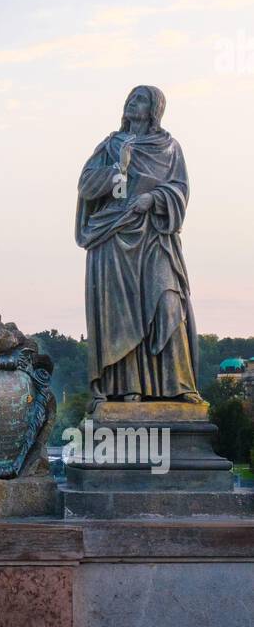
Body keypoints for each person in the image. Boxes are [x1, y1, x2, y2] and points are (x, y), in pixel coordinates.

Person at [75, 85, 202, 407]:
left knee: (168, 301)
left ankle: (177, 383)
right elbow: (87, 187)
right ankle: (126, 386)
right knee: (122, 314)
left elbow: (180, 190)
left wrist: (154, 197)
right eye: (130, 97)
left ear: (155, 109)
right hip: (114, 236)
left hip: (155, 234)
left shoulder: (169, 148)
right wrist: (118, 168)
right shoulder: (111, 145)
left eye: (141, 98)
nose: (133, 102)